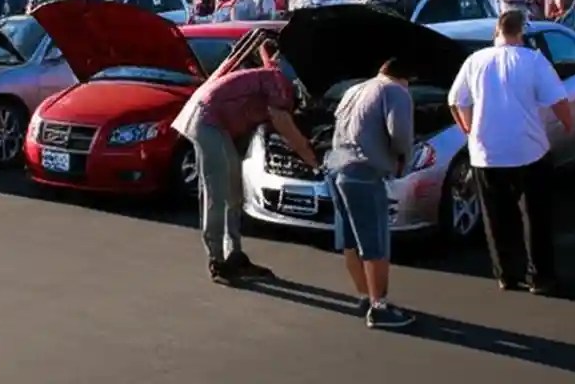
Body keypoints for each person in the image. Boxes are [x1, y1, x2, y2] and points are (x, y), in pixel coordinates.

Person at [172, 37, 319, 284]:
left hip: (210, 118)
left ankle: (235, 255)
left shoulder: (273, 74)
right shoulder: (279, 83)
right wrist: (312, 160)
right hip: (207, 121)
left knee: (233, 192)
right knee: (216, 194)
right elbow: (284, 124)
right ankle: (217, 261)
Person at [446, 10, 573, 295]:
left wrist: (469, 129)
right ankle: (540, 277)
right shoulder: (533, 60)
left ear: (497, 31)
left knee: (496, 217)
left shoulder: (475, 61)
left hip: (487, 152)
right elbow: (559, 99)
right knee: (535, 216)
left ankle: (506, 274)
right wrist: (567, 123)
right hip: (528, 149)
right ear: (521, 33)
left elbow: (456, 101)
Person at [326, 57, 417, 329]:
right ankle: (379, 308)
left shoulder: (354, 90)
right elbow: (400, 134)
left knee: (351, 240)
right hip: (364, 173)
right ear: (404, 78)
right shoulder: (395, 92)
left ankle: (366, 296)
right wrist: (403, 161)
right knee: (374, 241)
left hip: (335, 166)